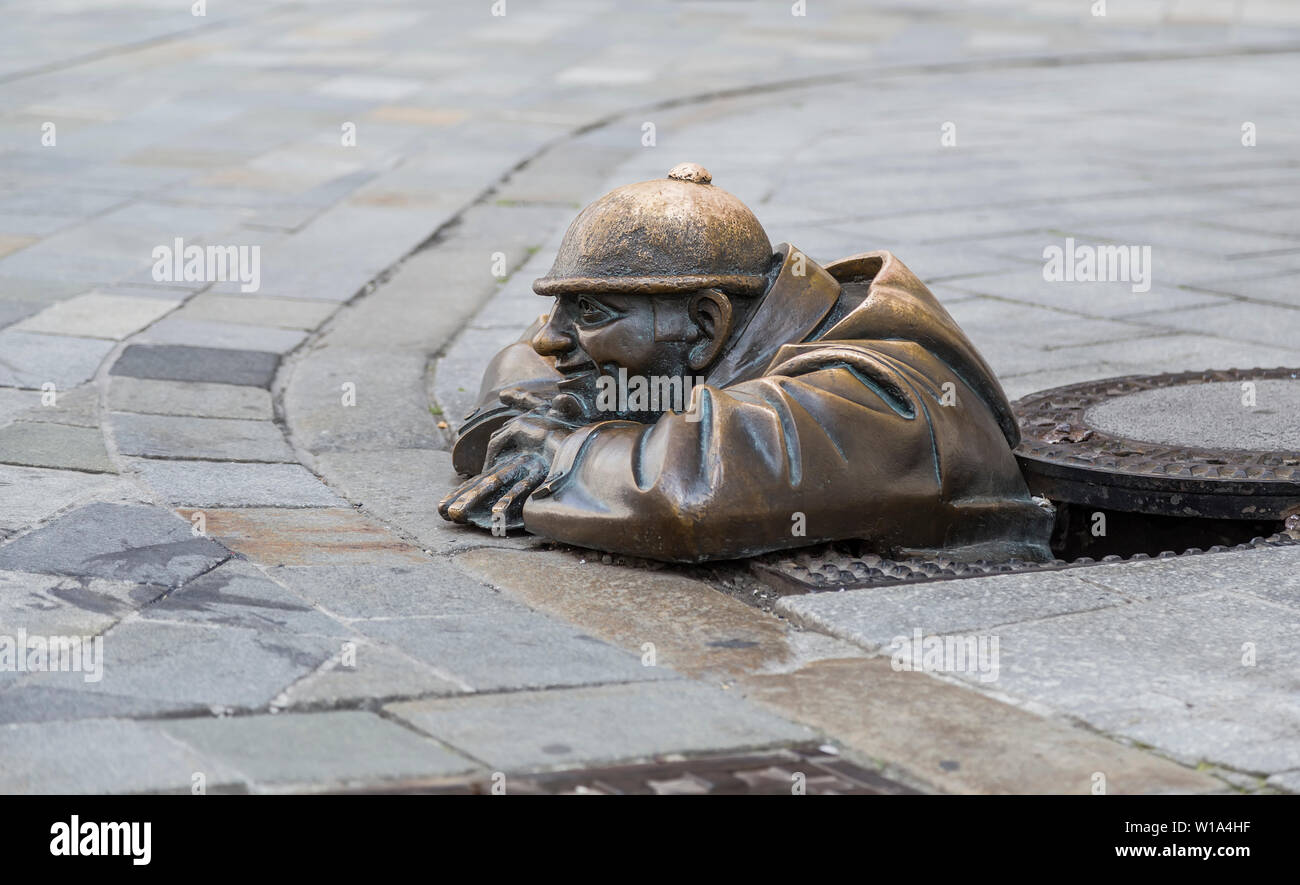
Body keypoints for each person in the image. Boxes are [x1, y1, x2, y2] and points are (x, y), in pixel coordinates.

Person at [439, 163, 1051, 563]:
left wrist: (557, 450)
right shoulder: (731, 329)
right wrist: (583, 407)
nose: (552, 340)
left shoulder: (869, 392)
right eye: (561, 309)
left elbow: (688, 493)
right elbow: (519, 364)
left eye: (591, 312)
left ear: (705, 325)